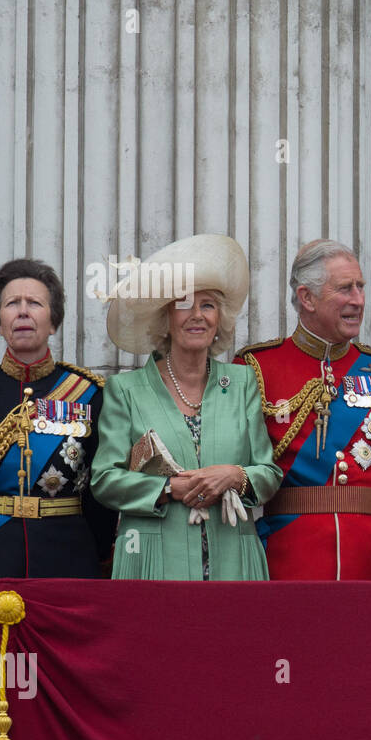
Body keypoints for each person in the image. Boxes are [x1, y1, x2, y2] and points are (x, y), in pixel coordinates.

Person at [236, 240, 371, 580]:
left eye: (360, 287)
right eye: (345, 289)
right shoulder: (256, 367)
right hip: (288, 558)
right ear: (307, 298)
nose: (358, 300)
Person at [91, 234, 282, 580]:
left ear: (219, 318)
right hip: (153, 560)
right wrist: (168, 489)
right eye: (183, 304)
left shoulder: (242, 383)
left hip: (233, 559)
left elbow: (268, 474)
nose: (197, 315)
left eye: (207, 305)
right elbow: (105, 480)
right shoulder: (125, 390)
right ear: (164, 318)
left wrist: (235, 476)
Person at [0, 258, 115, 577]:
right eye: (12, 304)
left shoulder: (91, 394)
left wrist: (97, 550)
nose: (22, 312)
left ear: (54, 321)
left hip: (69, 553)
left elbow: (100, 491)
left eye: (34, 303)